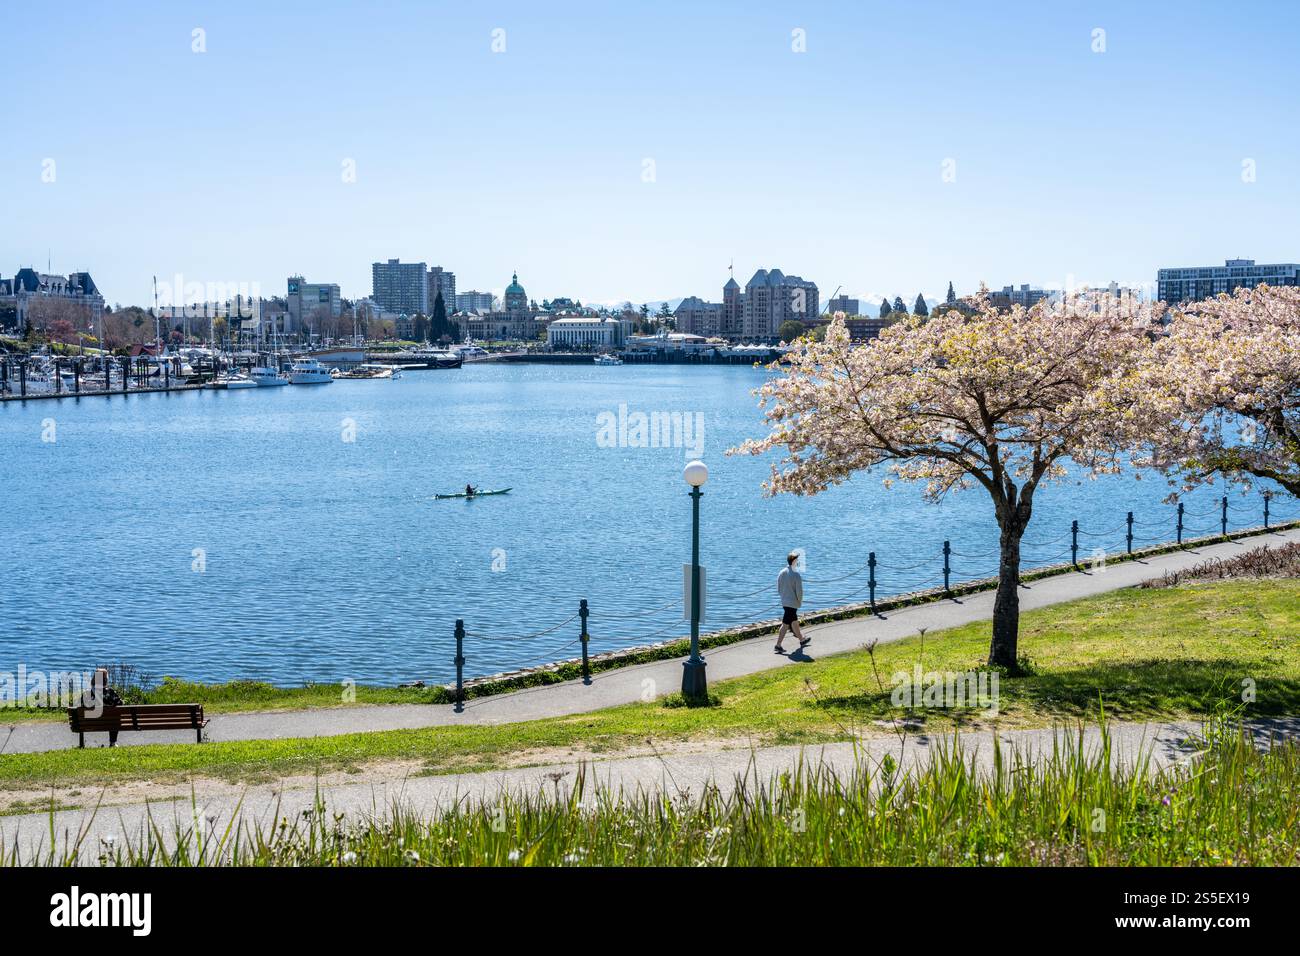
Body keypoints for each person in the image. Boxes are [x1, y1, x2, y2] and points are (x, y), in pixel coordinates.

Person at [775, 551, 810, 654]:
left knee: (794, 621)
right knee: (785, 624)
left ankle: (802, 640)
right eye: (797, 560)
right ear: (794, 561)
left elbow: (778, 588)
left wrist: (783, 597)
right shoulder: (796, 575)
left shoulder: (781, 572)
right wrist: (799, 602)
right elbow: (799, 592)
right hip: (793, 603)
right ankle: (778, 645)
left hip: (785, 601)